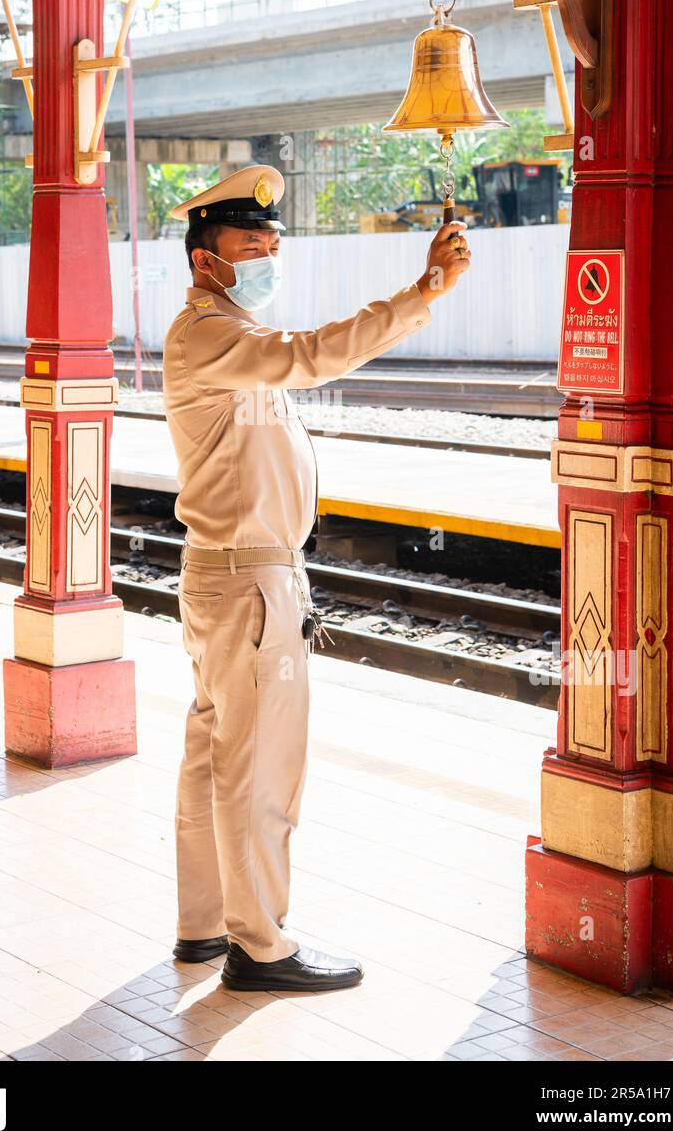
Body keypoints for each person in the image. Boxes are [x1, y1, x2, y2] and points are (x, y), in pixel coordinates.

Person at [162, 163, 471, 993]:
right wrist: (423, 291)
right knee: (258, 767)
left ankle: (203, 927)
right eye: (247, 243)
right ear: (205, 260)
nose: (265, 253)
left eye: (270, 242)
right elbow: (315, 355)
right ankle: (259, 948)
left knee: (215, 756)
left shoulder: (228, 335)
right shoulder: (212, 336)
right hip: (251, 582)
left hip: (229, 578)